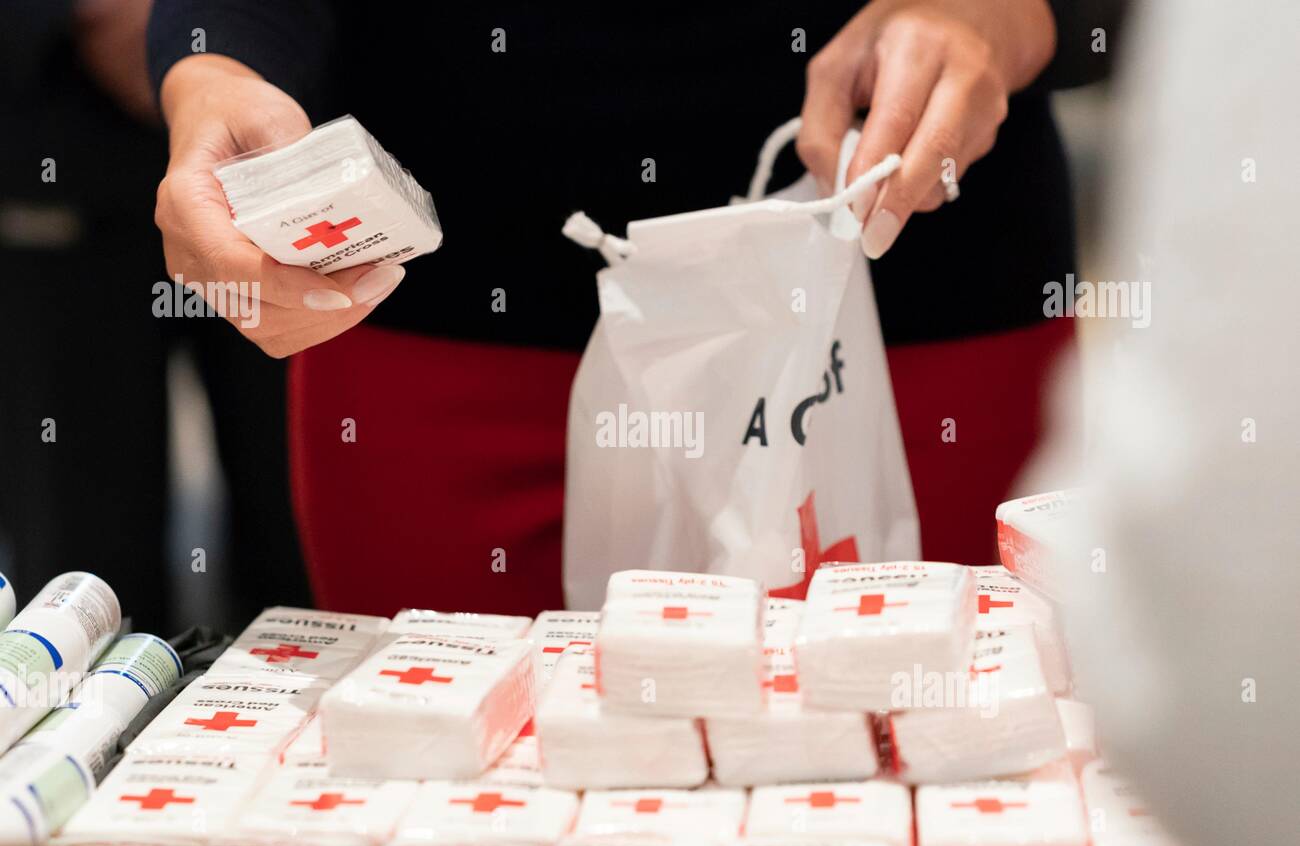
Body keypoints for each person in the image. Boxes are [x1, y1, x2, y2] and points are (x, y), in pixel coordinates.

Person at [146, 1, 1122, 617]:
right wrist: (214, 66)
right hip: (445, 342)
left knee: (929, 793)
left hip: (904, 306)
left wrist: (1011, 17)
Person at [0, 0, 310, 634]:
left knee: (295, 513)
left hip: (266, 148)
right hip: (57, 144)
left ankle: (293, 710)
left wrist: (212, 35)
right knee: (80, 555)